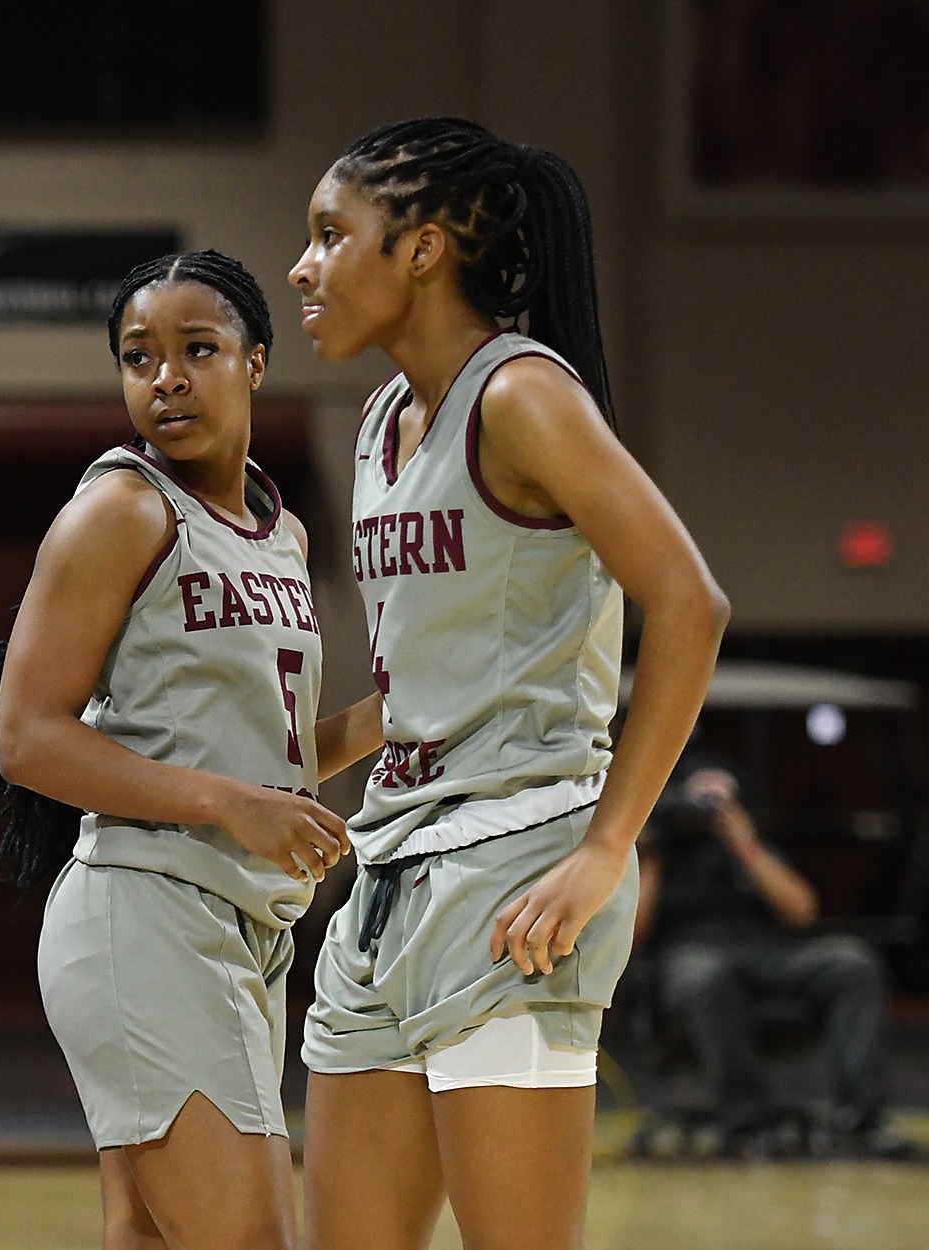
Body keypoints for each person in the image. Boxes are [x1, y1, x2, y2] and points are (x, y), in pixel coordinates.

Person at [288, 117, 730, 1250]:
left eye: (330, 235)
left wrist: (602, 849)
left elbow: (688, 602)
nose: (302, 266)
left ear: (423, 249)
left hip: (520, 868)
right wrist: (274, 768)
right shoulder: (382, 420)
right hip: (386, 872)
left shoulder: (521, 393)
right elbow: (422, 687)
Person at [0, 250, 382, 1250]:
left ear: (253, 361)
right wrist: (230, 806)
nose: (164, 376)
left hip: (241, 925)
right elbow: (26, 740)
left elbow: (267, 761)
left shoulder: (277, 528)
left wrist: (391, 713)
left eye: (195, 349)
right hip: (144, 909)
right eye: (137, 356)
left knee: (148, 1237)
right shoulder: (120, 509)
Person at [638, 754, 908, 1155]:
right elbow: (633, 934)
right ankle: (747, 1119)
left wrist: (745, 845)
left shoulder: (751, 845)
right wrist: (651, 851)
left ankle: (862, 1118)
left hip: (766, 951)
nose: (709, 813)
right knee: (707, 976)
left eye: (720, 800)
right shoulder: (663, 853)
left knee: (852, 961)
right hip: (690, 954)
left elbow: (801, 912)